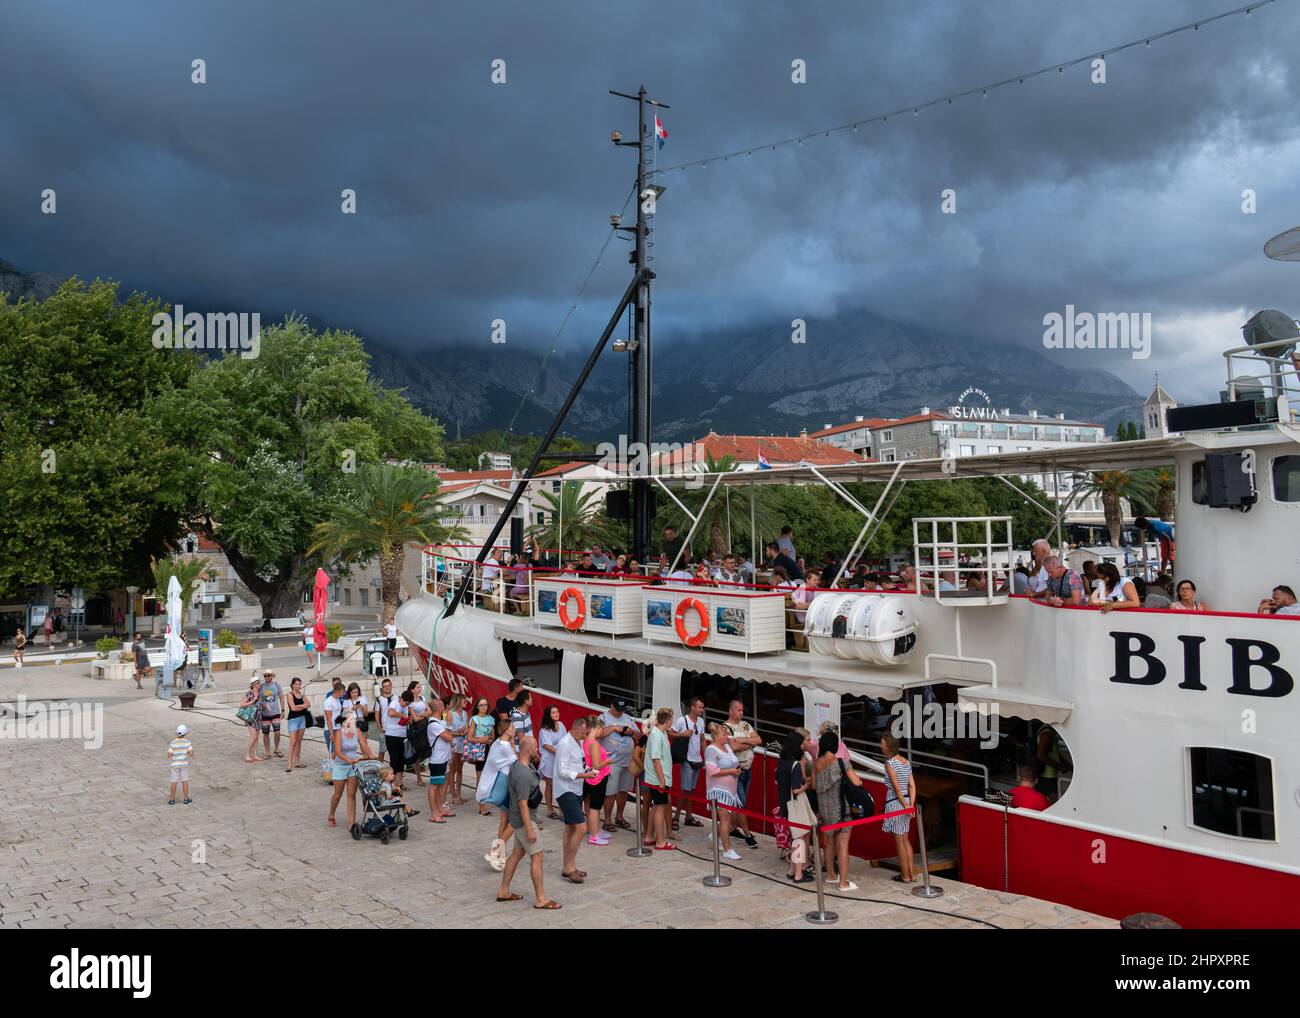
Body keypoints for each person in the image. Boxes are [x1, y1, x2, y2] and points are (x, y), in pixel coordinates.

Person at [497, 737, 561, 909]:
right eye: (535, 748)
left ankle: (504, 891)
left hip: (519, 820)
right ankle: (541, 899)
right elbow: (522, 803)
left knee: (517, 854)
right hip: (525, 821)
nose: (537, 750)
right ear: (528, 750)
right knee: (537, 857)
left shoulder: (519, 765)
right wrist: (530, 830)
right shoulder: (523, 774)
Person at [813, 731, 864, 891]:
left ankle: (831, 875)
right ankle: (843, 883)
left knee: (829, 844)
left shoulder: (816, 763)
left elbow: (814, 787)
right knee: (843, 845)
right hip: (842, 811)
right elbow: (857, 782)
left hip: (825, 810)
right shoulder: (840, 763)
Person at [553, 715, 598, 883]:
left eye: (586, 734)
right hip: (566, 790)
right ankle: (569, 866)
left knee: (570, 827)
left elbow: (578, 762)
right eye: (583, 734)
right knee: (581, 827)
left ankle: (568, 865)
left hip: (575, 788)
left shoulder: (577, 741)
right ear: (575, 729)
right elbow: (562, 770)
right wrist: (582, 774)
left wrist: (588, 769)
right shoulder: (565, 744)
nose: (585, 737)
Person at [721, 699, 761, 848]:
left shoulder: (746, 725)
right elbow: (733, 747)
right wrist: (749, 742)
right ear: (731, 711)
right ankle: (748, 834)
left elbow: (759, 740)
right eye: (738, 710)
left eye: (742, 710)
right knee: (741, 804)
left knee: (740, 802)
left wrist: (743, 740)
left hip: (747, 769)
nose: (741, 713)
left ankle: (732, 828)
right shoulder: (725, 728)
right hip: (735, 772)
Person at [776, 731, 813, 882]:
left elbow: (777, 782)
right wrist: (808, 785)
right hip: (796, 806)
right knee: (800, 837)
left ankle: (792, 870)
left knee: (795, 837)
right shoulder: (795, 765)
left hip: (785, 804)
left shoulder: (781, 762)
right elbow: (796, 789)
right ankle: (798, 874)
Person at [879, 732, 916, 884]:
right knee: (905, 839)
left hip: (896, 803)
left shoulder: (890, 763)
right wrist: (910, 804)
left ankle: (905, 875)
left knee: (899, 840)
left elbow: (896, 788)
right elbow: (912, 786)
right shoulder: (906, 762)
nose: (881, 746)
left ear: (888, 746)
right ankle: (912, 873)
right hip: (906, 802)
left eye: (882, 743)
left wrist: (905, 805)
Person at [704, 723, 743, 860]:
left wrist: (736, 770)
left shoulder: (727, 747)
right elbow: (711, 771)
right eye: (724, 734)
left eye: (727, 734)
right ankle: (727, 849)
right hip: (718, 790)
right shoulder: (711, 750)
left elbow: (733, 761)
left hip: (731, 790)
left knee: (731, 819)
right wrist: (731, 771)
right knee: (725, 819)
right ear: (716, 737)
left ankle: (715, 835)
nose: (727, 736)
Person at [328, 711, 373, 832]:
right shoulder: (339, 733)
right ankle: (331, 814)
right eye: (351, 719)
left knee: (352, 795)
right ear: (345, 721)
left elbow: (364, 746)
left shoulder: (357, 731)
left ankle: (351, 823)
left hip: (353, 766)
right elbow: (338, 751)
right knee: (337, 795)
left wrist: (370, 754)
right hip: (340, 765)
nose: (353, 721)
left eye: (354, 719)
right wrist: (348, 760)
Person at [597, 699, 638, 831]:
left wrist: (631, 732)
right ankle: (607, 820)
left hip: (628, 759)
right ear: (611, 706)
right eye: (618, 710)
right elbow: (599, 734)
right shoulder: (602, 717)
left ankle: (619, 817)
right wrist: (614, 728)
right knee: (610, 792)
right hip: (611, 761)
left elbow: (639, 736)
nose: (620, 713)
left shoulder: (628, 718)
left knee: (624, 790)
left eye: (622, 710)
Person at [479, 718, 519, 847]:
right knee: (511, 820)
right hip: (506, 783)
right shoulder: (505, 747)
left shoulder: (497, 742)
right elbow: (516, 762)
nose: (515, 730)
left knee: (504, 820)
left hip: (501, 780)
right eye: (512, 728)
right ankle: (498, 848)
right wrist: (513, 745)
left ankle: (499, 849)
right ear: (506, 730)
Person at [669, 697, 707, 830]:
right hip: (686, 758)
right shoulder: (682, 720)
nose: (702, 710)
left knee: (691, 790)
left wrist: (705, 757)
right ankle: (676, 817)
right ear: (692, 707)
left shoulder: (701, 722)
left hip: (697, 759)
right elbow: (671, 733)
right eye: (699, 707)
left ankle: (689, 816)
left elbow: (702, 740)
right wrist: (683, 735)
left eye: (702, 707)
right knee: (685, 790)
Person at [642, 707, 676, 851]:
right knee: (660, 808)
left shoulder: (661, 733)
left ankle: (649, 836)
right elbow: (656, 759)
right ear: (667, 721)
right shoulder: (656, 735)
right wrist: (662, 780)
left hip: (658, 778)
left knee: (656, 807)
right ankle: (660, 841)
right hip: (658, 779)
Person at [425, 696, 457, 823]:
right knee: (434, 786)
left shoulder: (438, 722)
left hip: (443, 759)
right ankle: (434, 813)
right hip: (437, 760)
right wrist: (452, 738)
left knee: (441, 784)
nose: (445, 707)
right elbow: (448, 737)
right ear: (439, 708)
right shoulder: (434, 724)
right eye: (443, 706)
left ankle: (439, 809)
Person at [581, 715, 612, 846]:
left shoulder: (586, 741)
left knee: (591, 805)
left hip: (590, 777)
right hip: (598, 778)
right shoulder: (593, 743)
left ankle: (595, 830)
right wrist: (608, 761)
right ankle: (594, 835)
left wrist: (605, 755)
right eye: (601, 729)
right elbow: (596, 765)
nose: (602, 732)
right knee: (595, 807)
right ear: (596, 728)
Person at [466, 697, 497, 813]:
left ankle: (484, 801)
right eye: (481, 705)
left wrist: (489, 739)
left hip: (488, 749)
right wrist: (481, 740)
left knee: (488, 777)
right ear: (477, 707)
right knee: (480, 778)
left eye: (485, 705)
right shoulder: (475, 719)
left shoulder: (490, 719)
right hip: (479, 749)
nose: (484, 707)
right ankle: (481, 806)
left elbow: (493, 735)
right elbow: (469, 737)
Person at [538, 704, 566, 819]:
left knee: (560, 784)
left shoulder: (561, 725)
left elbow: (565, 740)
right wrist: (560, 752)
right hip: (549, 760)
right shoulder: (544, 729)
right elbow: (546, 745)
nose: (556, 714)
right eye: (553, 712)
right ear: (548, 715)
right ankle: (550, 810)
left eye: (557, 712)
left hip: (560, 760)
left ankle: (562, 810)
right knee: (550, 785)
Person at [382, 684, 410, 791]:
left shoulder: (406, 706)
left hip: (401, 734)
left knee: (400, 761)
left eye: (407, 704)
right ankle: (389, 783)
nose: (404, 706)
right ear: (401, 699)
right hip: (392, 735)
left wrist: (407, 720)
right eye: (404, 703)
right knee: (394, 760)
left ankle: (399, 783)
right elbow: (390, 713)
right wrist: (402, 715)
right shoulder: (395, 703)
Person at [446, 693, 469, 805]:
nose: (466, 702)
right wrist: (459, 733)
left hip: (462, 743)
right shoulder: (451, 714)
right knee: (453, 770)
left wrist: (466, 731)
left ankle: (459, 794)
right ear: (458, 701)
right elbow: (448, 732)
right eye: (464, 701)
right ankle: (453, 795)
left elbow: (467, 728)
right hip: (454, 743)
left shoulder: (465, 714)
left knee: (460, 769)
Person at [284, 677, 311, 772]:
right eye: (297, 684)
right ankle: (289, 764)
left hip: (302, 719)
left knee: (299, 741)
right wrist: (303, 706)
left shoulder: (301, 694)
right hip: (293, 720)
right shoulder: (290, 695)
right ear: (292, 685)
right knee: (293, 742)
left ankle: (297, 761)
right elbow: (293, 708)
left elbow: (308, 704)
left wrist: (300, 706)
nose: (298, 686)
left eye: (300, 684)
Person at [257, 670, 285, 760]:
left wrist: (283, 709)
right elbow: (258, 698)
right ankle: (267, 752)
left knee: (277, 732)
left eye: (268, 676)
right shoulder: (261, 686)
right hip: (264, 714)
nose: (266, 677)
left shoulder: (277, 685)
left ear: (272, 676)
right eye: (265, 676)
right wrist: (263, 704)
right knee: (266, 733)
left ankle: (276, 749)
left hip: (275, 712)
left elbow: (281, 697)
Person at [167, 723, 194, 806]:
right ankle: (186, 798)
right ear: (185, 733)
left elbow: (169, 755)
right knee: (184, 781)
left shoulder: (173, 743)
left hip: (175, 765)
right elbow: (191, 754)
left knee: (173, 781)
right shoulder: (188, 743)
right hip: (184, 765)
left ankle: (172, 799)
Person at [240, 677, 264, 764]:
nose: (260, 684)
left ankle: (255, 755)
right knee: (253, 737)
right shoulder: (249, 694)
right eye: (258, 683)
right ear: (254, 684)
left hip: (258, 717)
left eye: (259, 683)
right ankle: (247, 754)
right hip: (251, 718)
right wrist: (253, 701)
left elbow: (261, 705)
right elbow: (242, 704)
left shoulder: (260, 694)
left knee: (256, 738)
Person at [373, 677, 395, 764]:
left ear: (391, 686)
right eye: (385, 686)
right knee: (382, 750)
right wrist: (379, 728)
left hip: (395, 729)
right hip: (384, 729)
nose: (387, 687)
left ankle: (394, 769)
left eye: (388, 686)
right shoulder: (379, 700)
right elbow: (376, 715)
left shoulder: (397, 697)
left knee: (394, 751)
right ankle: (379, 769)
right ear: (382, 688)